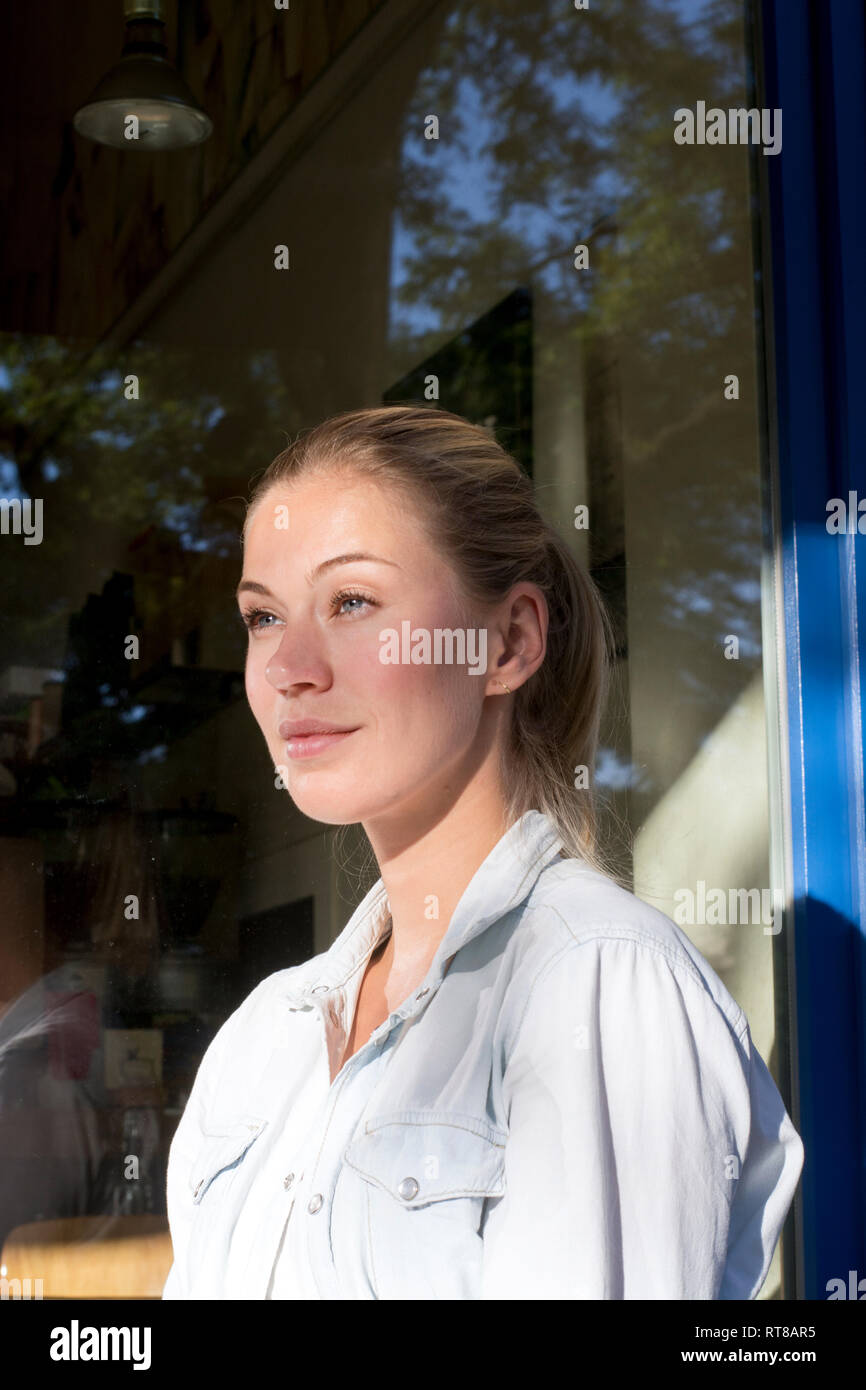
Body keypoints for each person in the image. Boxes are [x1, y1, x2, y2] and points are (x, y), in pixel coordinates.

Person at [162, 404, 803, 1300]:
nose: (287, 667)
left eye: (351, 601)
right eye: (263, 617)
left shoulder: (599, 982)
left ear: (507, 643)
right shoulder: (265, 1034)